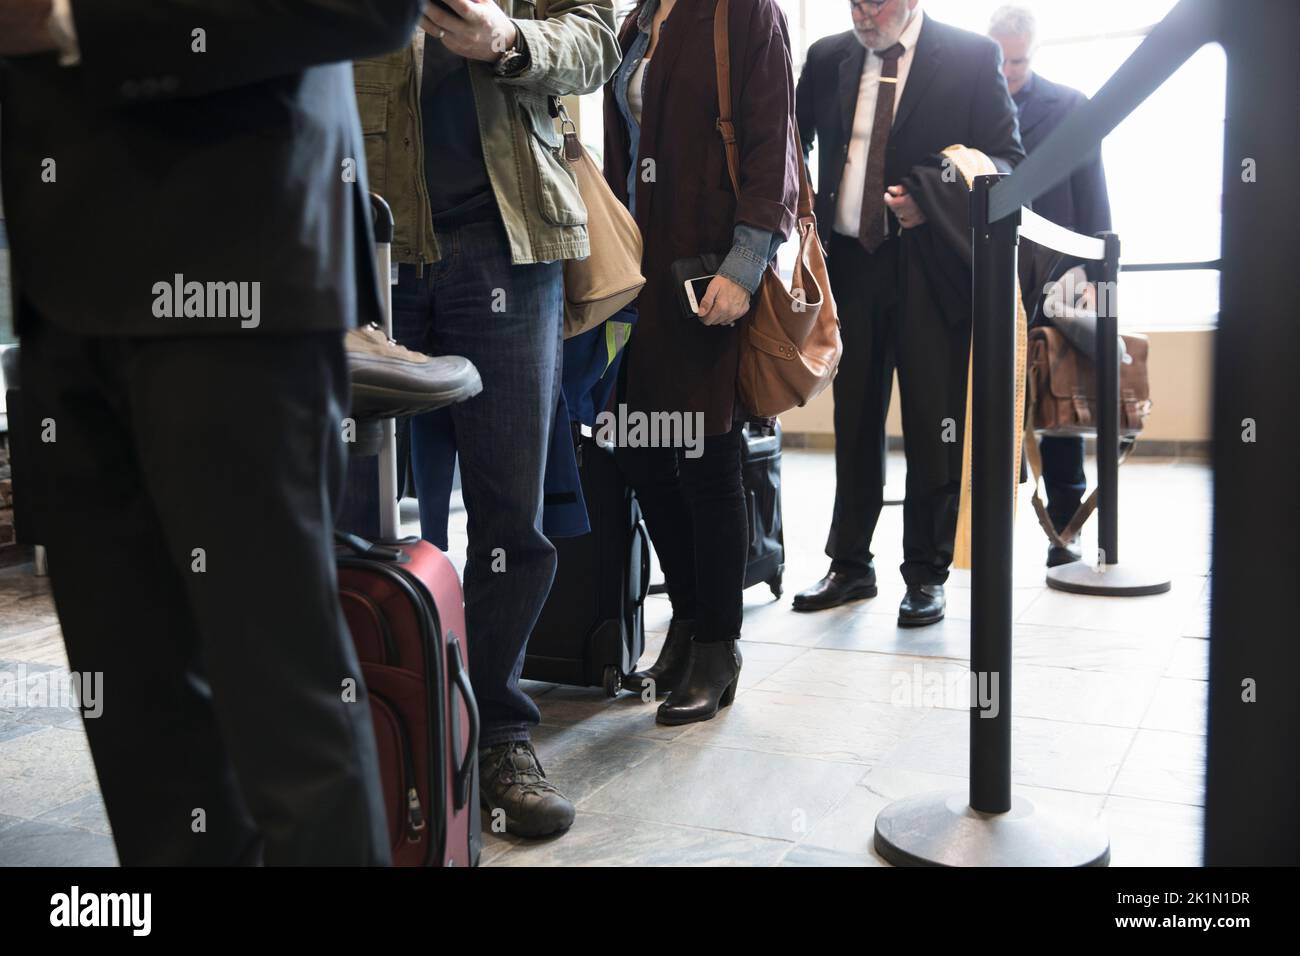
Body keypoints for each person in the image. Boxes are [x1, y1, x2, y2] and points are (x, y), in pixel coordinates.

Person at [0, 0, 423, 864]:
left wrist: (69, 20)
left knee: (284, 721)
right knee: (142, 738)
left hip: (239, 263)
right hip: (54, 287)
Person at [339, 0, 621, 838]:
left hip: (505, 238)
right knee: (348, 515)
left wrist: (511, 37)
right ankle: (365, 742)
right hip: (358, 237)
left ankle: (496, 733)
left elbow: (597, 38)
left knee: (512, 517)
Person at [792, 0, 1024, 627]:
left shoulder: (973, 57)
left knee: (932, 425)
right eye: (855, 2)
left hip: (929, 271)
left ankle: (925, 574)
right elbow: (792, 142)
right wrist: (803, 216)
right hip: (851, 268)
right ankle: (849, 565)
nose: (866, 14)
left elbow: (1008, 161)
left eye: (879, 1)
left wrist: (933, 189)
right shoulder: (827, 56)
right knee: (855, 418)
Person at [602, 0, 798, 723]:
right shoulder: (638, 21)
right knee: (643, 454)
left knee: (707, 457)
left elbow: (772, 145)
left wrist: (745, 265)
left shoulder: (744, 12)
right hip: (640, 272)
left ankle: (717, 643)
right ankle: (687, 618)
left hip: (708, 267)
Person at [989, 4, 1112, 567]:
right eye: (1001, 60)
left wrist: (1095, 277)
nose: (1009, 72)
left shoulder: (1069, 106)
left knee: (1058, 400)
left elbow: (1094, 196)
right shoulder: (973, 106)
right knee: (991, 401)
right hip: (991, 275)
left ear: (1032, 53)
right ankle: (994, 515)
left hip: (1059, 275)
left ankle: (1065, 522)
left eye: (1018, 61)